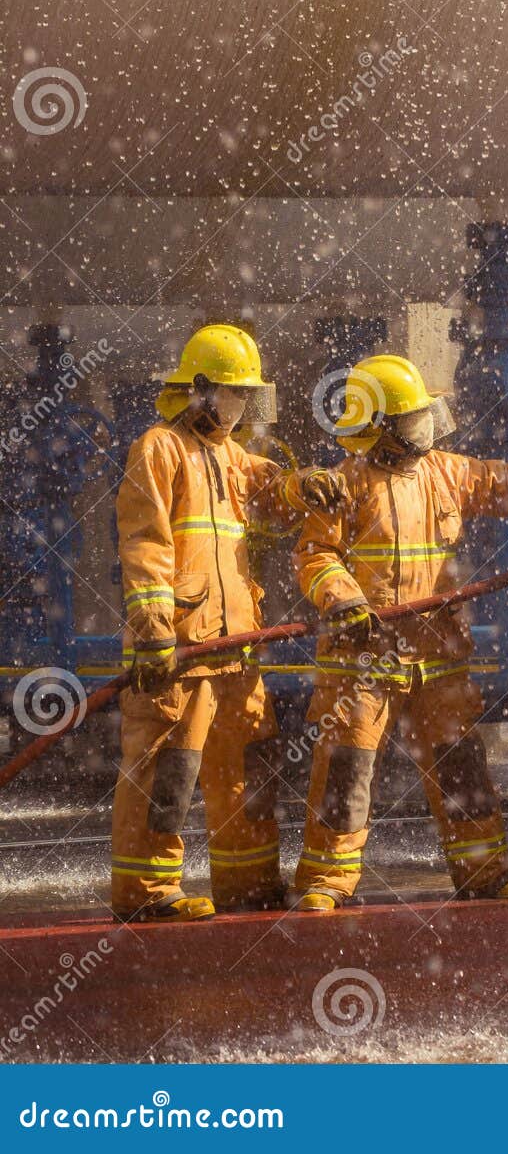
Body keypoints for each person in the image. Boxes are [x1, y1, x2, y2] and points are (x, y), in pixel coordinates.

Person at [289, 353, 508, 911]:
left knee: (461, 763)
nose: (425, 429)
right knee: (348, 768)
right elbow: (315, 556)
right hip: (365, 660)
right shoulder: (344, 484)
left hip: (438, 656)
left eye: (424, 417)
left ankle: (484, 871)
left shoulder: (444, 471)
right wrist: (344, 598)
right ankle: (325, 882)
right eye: (412, 420)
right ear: (380, 426)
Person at [112, 323, 350, 922]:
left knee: (249, 769)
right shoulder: (159, 448)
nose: (241, 406)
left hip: (235, 650)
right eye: (234, 393)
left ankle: (247, 882)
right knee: (169, 770)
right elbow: (145, 544)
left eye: (248, 395)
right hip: (182, 650)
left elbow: (270, 490)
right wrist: (154, 630)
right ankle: (149, 893)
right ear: (199, 389)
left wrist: (304, 487)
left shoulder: (229, 455)